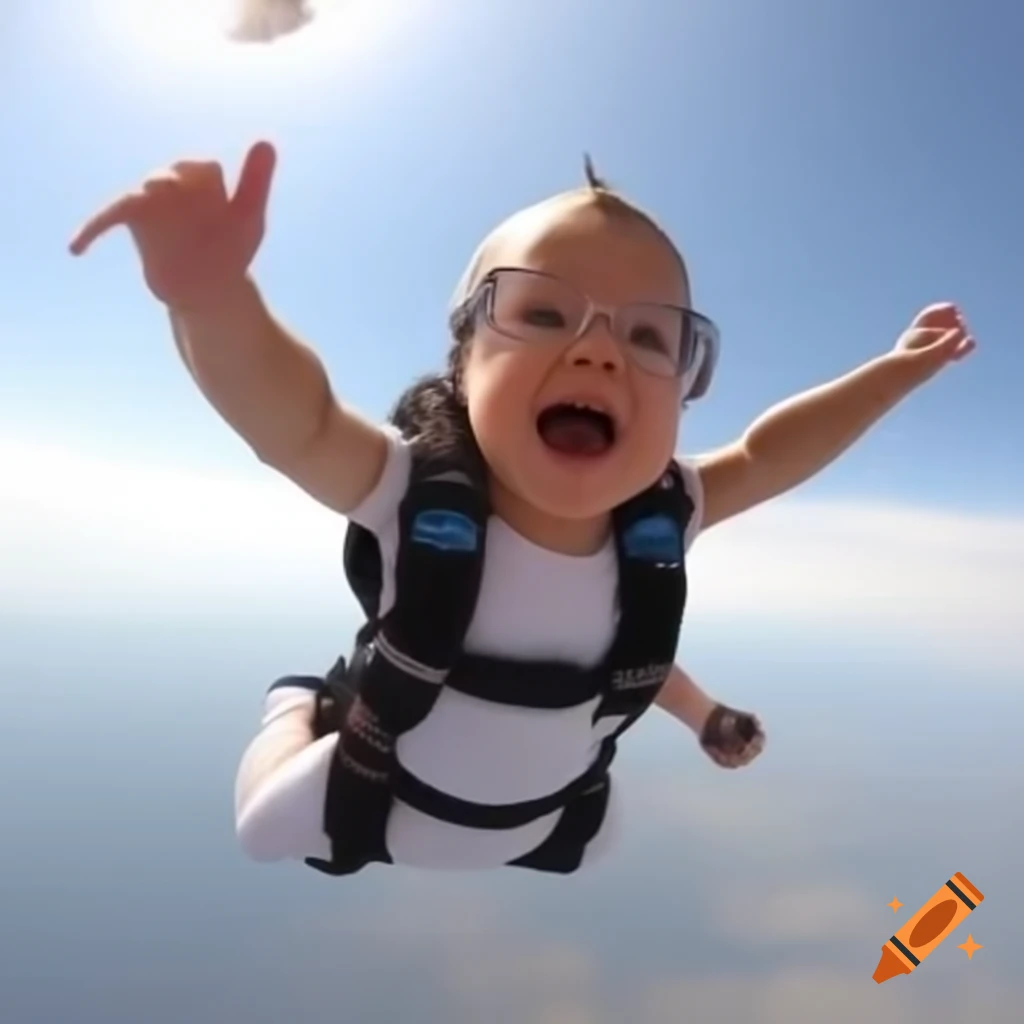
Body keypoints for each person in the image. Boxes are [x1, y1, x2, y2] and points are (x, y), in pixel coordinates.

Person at [69, 141, 974, 873]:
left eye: (652, 336)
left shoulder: (660, 523)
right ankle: (290, 708)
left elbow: (753, 479)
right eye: (542, 314)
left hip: (541, 822)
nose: (599, 353)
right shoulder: (404, 492)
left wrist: (894, 373)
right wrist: (212, 298)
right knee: (265, 828)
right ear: (462, 368)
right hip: (375, 795)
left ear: (687, 392)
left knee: (604, 835)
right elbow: (292, 418)